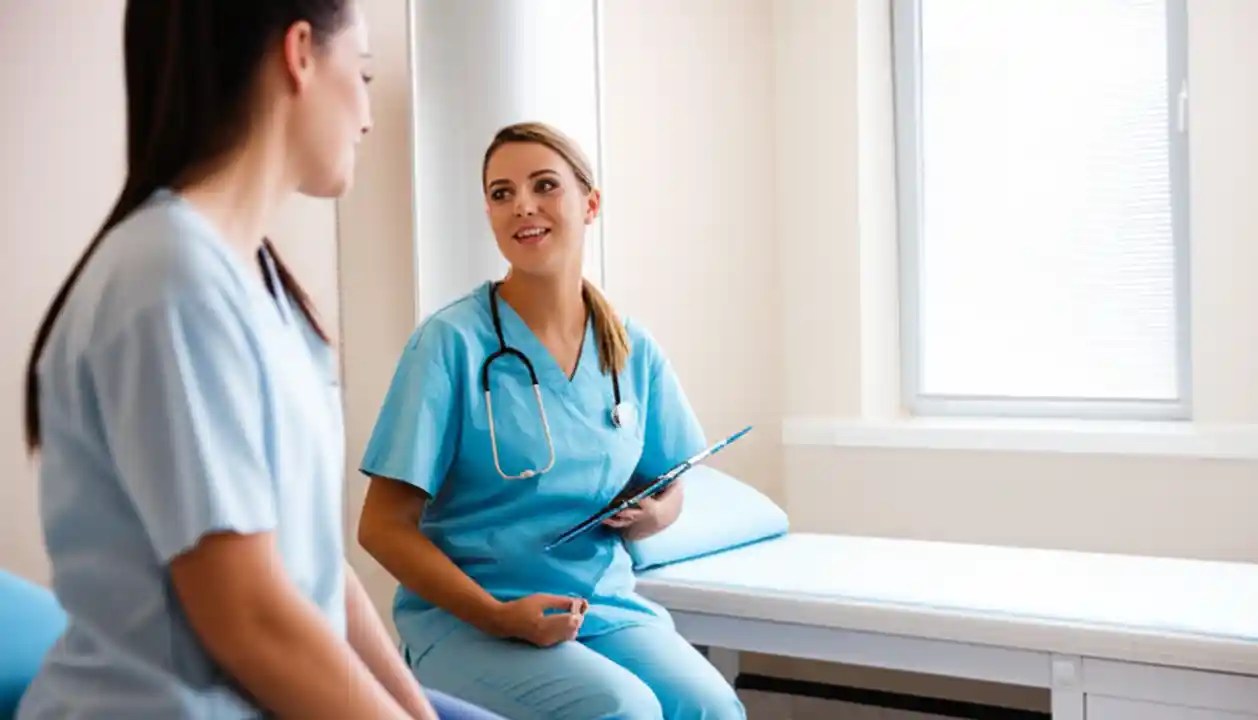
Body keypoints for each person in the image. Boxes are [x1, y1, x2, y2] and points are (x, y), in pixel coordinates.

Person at [17, 3, 501, 719]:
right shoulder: (168, 276)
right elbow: (249, 617)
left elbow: (311, 570)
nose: (367, 116)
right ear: (299, 53)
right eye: (361, 74)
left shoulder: (260, 284)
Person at [357, 121, 746, 719]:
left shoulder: (630, 350)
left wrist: (651, 515)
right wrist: (495, 614)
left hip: (600, 609)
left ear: (590, 204)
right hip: (472, 620)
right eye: (501, 193)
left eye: (544, 186)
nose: (523, 208)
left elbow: (669, 488)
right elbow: (382, 527)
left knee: (712, 707)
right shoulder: (449, 343)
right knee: (623, 710)